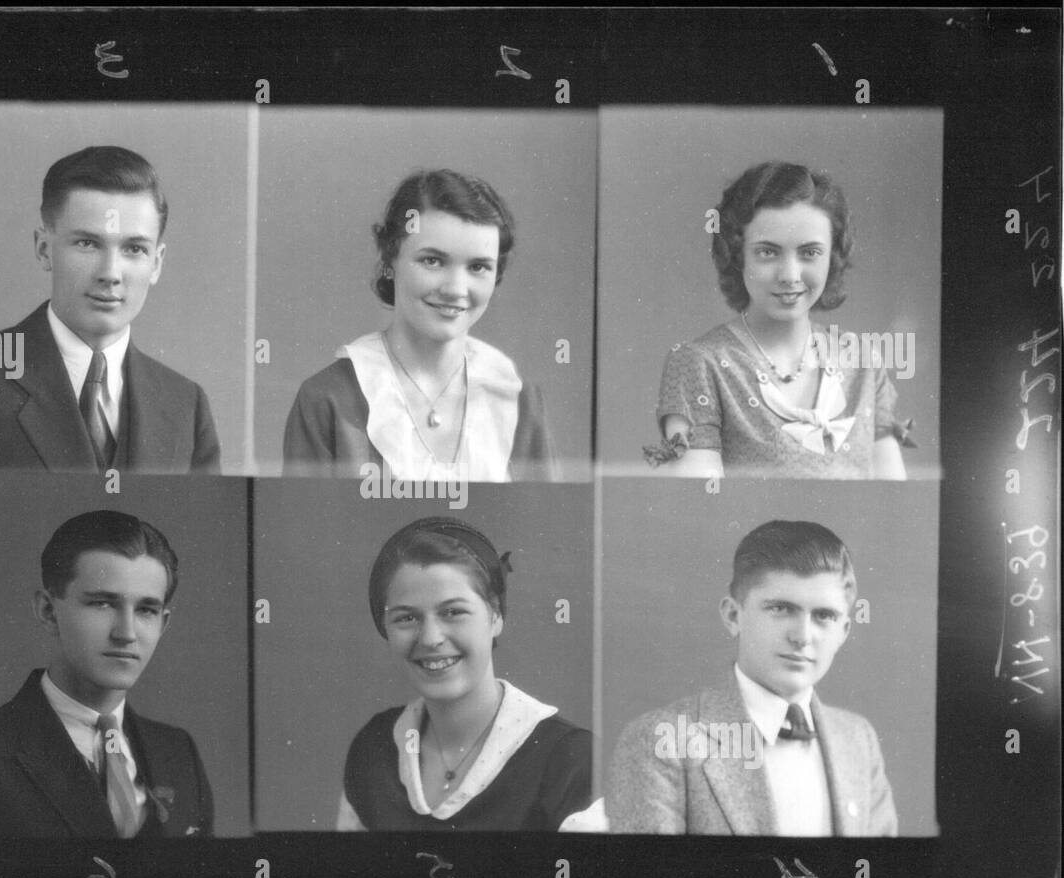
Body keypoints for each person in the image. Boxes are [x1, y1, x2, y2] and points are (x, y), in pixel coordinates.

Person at [0, 146, 221, 472]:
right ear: (44, 249)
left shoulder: (187, 405)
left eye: (134, 248)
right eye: (87, 243)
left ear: (156, 263)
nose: (110, 274)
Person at [0, 510, 214, 839]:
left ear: (163, 623)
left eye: (146, 610)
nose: (127, 633)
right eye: (102, 603)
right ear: (47, 612)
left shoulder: (179, 750)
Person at [608, 520, 898, 836]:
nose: (802, 636)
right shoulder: (662, 740)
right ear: (734, 616)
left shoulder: (858, 738)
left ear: (844, 631)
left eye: (824, 616)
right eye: (780, 609)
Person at [644, 161, 914, 479]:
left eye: (810, 253)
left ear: (832, 256)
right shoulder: (700, 364)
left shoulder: (864, 362)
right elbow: (699, 503)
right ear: (738, 254)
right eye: (768, 252)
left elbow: (892, 497)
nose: (790, 276)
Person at [283, 169, 555, 482]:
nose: (455, 288)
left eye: (478, 267)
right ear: (390, 260)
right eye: (432, 261)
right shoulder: (325, 400)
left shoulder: (518, 400)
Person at [338, 517, 602, 831]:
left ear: (495, 617)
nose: (430, 638)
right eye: (406, 617)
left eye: (453, 612)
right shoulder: (374, 749)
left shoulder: (572, 763)